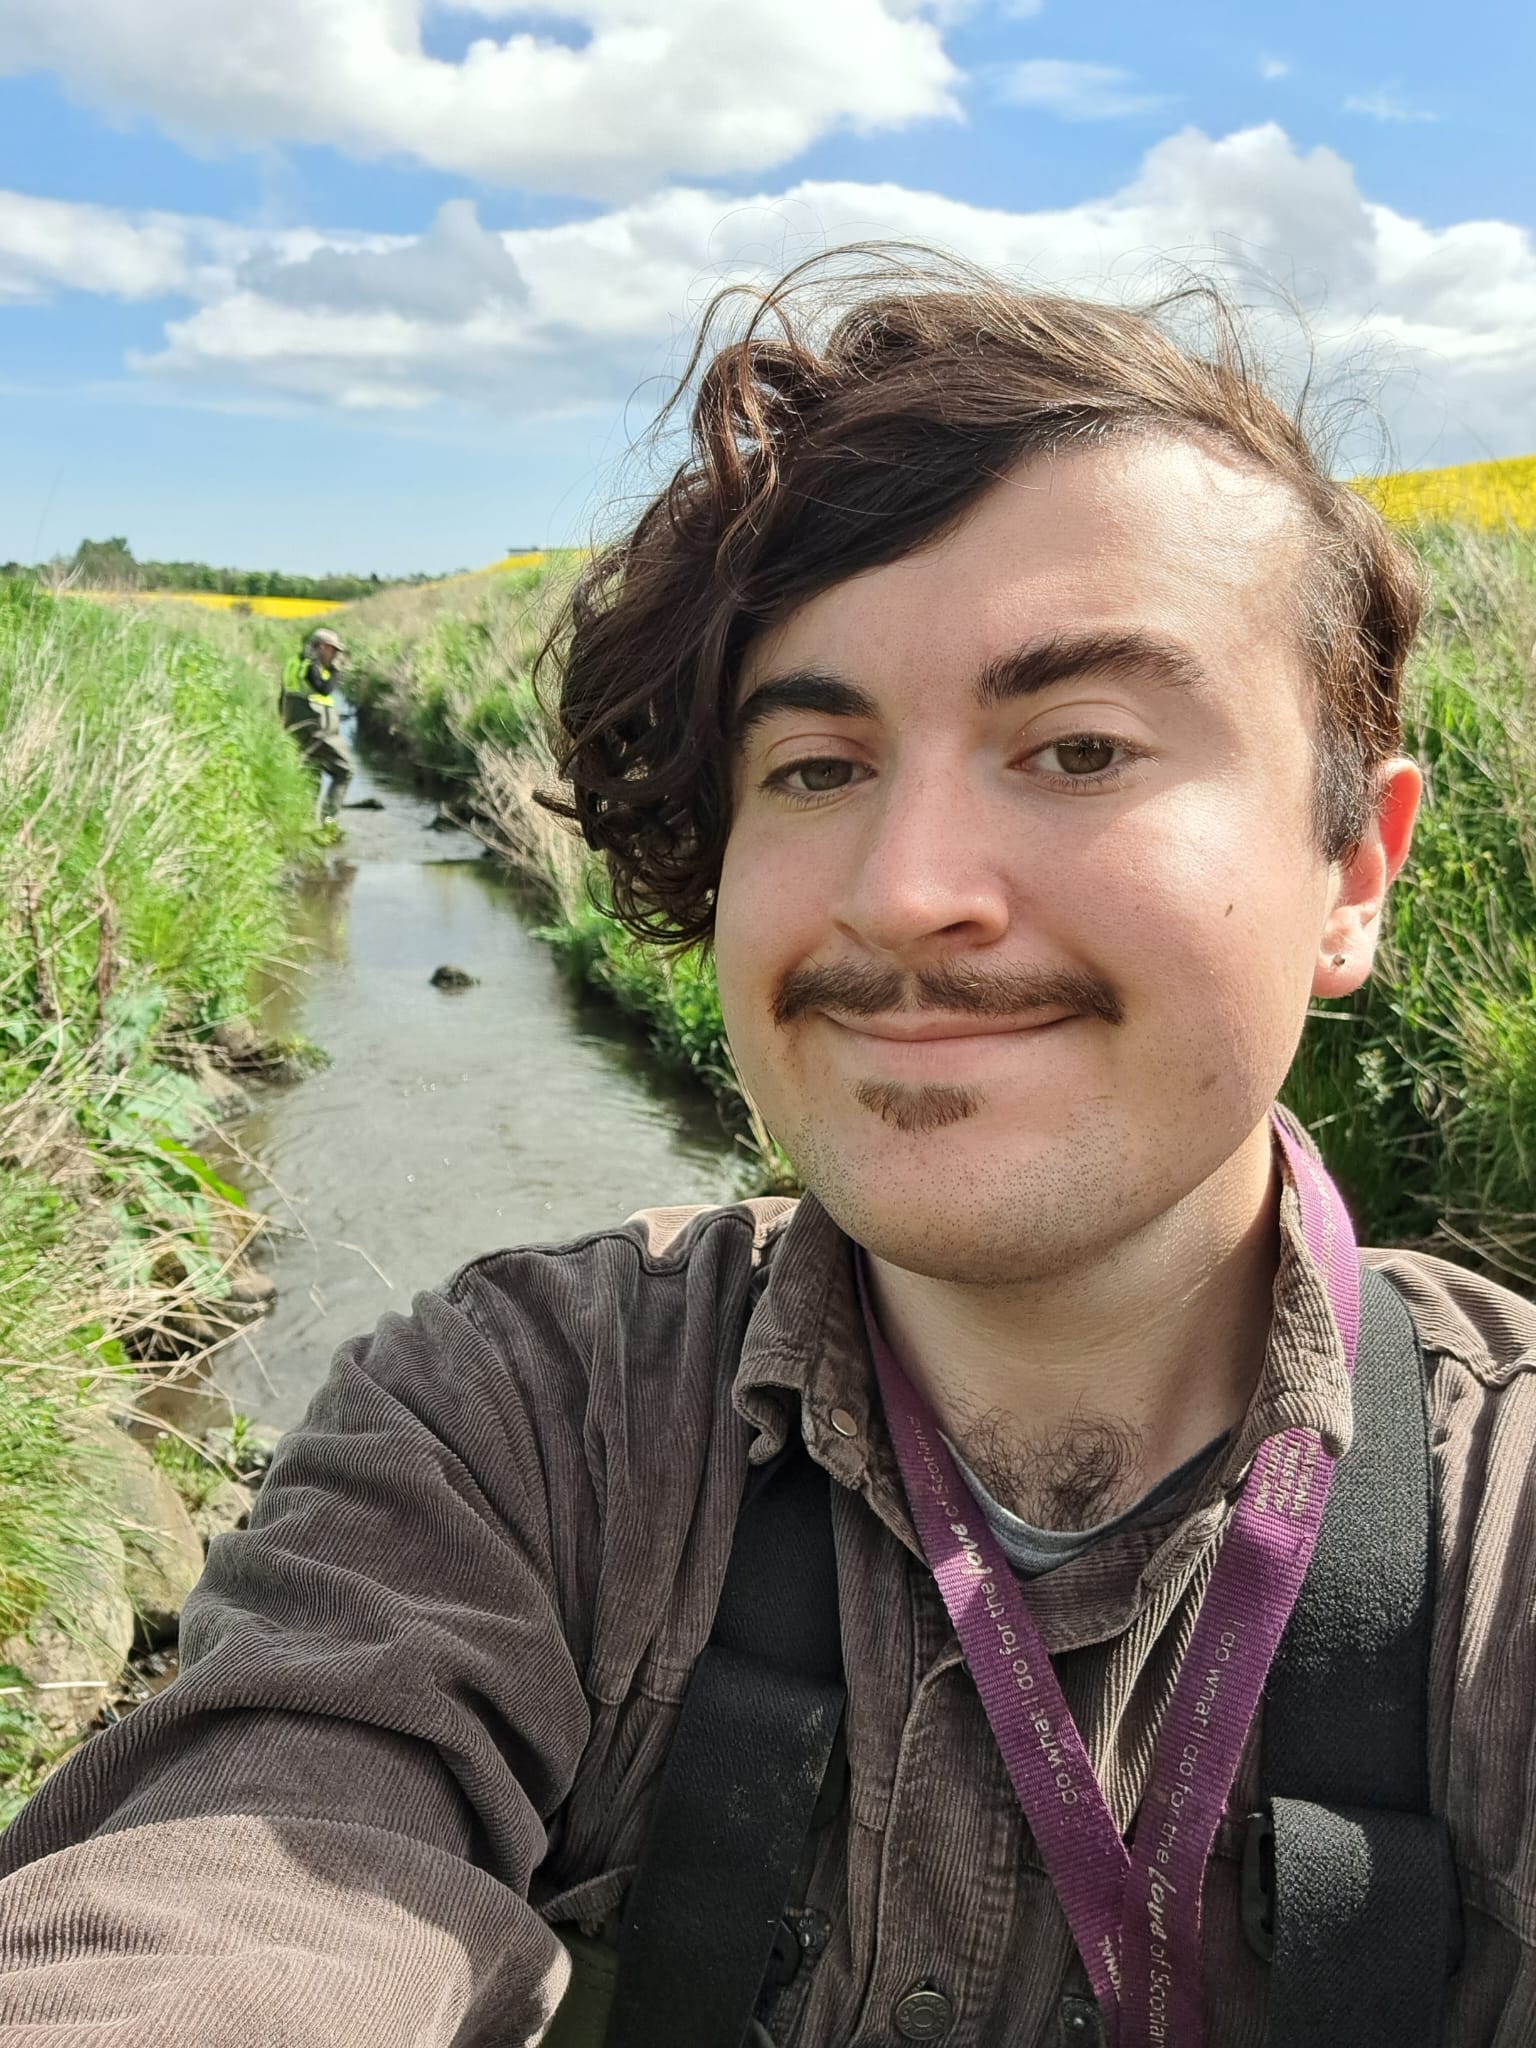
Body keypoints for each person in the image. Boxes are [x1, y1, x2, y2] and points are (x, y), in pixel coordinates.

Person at [1, 259, 1534, 2048]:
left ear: (1355, 868)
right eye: (814, 765)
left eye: (1081, 743)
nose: (903, 888)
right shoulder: (522, 1429)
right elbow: (240, 1884)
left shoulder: (1504, 1536)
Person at [280, 624, 353, 816]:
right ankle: (328, 820)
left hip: (297, 726)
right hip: (317, 727)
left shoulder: (293, 663)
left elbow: (282, 697)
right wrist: (338, 671)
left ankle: (304, 819)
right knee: (345, 771)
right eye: (334, 650)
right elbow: (324, 688)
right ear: (322, 647)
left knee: (311, 772)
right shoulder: (311, 664)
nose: (336, 655)